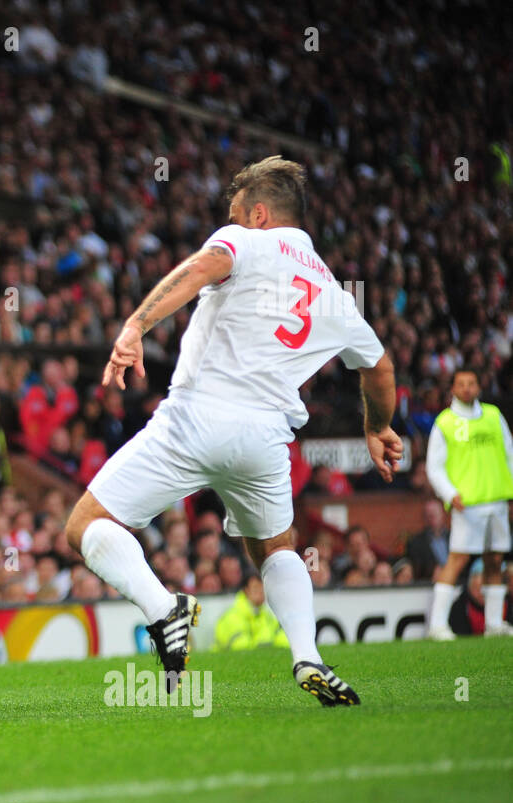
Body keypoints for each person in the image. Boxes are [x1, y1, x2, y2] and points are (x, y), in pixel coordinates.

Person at [64, 156, 401, 706]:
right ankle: (307, 656)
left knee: (85, 526)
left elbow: (201, 267)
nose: (234, 221)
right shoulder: (335, 293)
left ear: (260, 213)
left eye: (239, 213)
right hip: (267, 440)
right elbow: (380, 368)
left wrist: (135, 325)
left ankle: (163, 609)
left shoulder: (245, 241)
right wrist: (379, 426)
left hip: (198, 418)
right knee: (273, 548)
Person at [422, 368, 513, 639]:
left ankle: (494, 624)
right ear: (452, 389)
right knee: (458, 559)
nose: (467, 388)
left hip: (496, 499)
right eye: (461, 384)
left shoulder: (493, 416)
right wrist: (449, 494)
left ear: (478, 386)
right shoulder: (446, 422)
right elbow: (433, 466)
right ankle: (437, 625)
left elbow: (510, 455)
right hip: (467, 503)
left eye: (471, 383)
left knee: (495, 560)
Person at [213, 572, 289, 651]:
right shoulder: (232, 617)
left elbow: (283, 638)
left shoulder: (266, 615)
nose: (261, 592)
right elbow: (240, 647)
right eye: (256, 588)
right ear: (246, 591)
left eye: (262, 588)